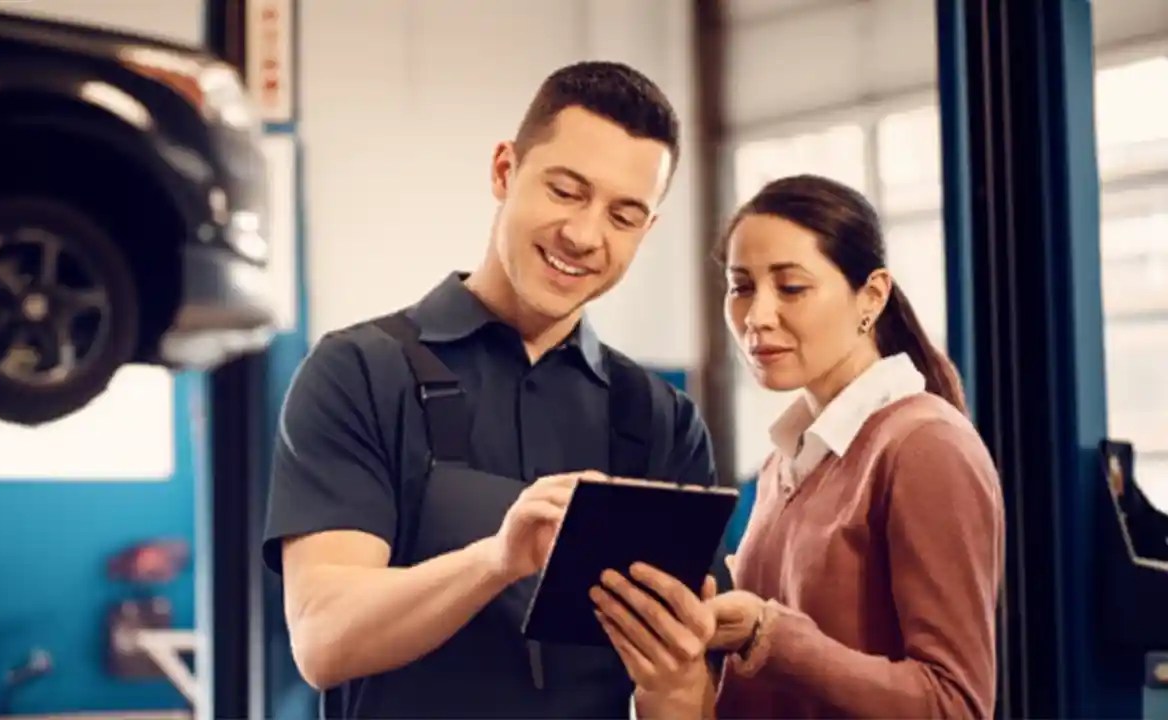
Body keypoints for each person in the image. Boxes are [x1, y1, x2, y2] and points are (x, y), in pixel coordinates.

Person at [262, 60, 725, 719]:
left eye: (624, 216)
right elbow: (322, 637)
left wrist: (675, 684)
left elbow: (692, 700)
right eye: (566, 191)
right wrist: (497, 560)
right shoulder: (359, 373)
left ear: (646, 231)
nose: (585, 235)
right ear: (504, 171)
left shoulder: (662, 422)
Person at [592, 174, 1005, 719]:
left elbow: (954, 706)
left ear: (872, 295)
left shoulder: (925, 446)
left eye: (791, 287)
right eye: (741, 287)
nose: (758, 317)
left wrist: (771, 635)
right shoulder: (785, 461)